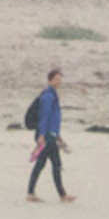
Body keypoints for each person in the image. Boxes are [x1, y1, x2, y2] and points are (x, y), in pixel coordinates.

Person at [27, 69, 77, 203]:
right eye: (56, 79)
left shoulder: (53, 95)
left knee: (48, 164)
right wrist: (42, 135)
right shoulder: (48, 96)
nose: (58, 82)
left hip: (51, 135)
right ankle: (58, 195)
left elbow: (54, 119)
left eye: (60, 80)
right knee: (50, 164)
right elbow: (45, 117)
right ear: (50, 80)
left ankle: (58, 195)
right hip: (47, 136)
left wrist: (58, 136)